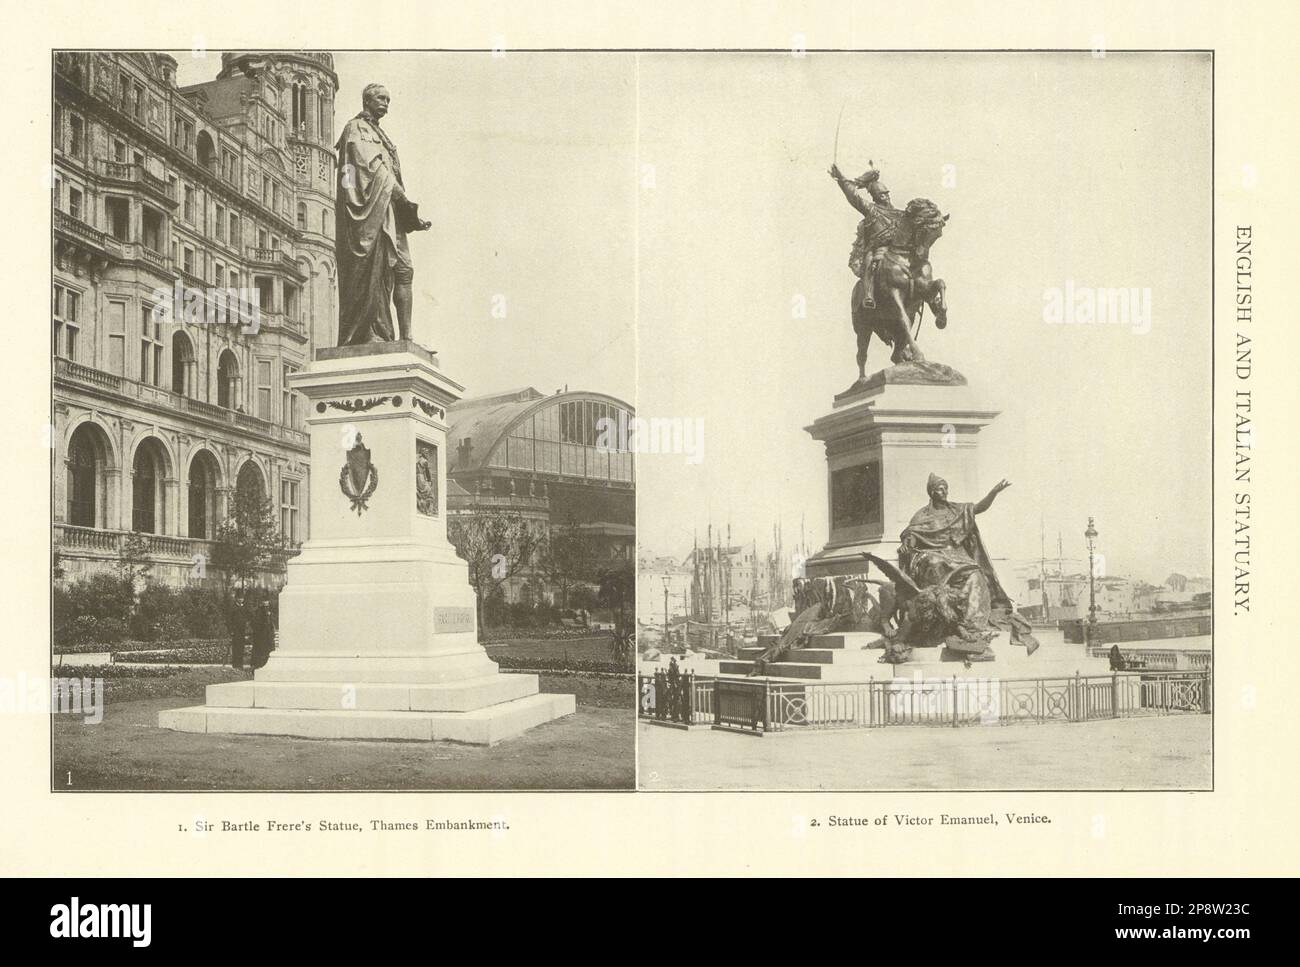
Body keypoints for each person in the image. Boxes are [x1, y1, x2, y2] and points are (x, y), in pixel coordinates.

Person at [334, 83, 432, 345]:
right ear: (367, 100)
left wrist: (407, 212)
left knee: (404, 271)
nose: (386, 103)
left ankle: (407, 338)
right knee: (376, 274)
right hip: (370, 215)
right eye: (381, 98)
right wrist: (405, 200)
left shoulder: (381, 134)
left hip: (390, 212)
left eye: (389, 99)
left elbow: (388, 174)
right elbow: (372, 169)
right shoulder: (356, 128)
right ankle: (370, 332)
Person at [830, 162, 902, 309]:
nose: (886, 197)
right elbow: (853, 196)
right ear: (875, 197)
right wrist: (841, 179)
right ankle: (869, 294)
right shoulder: (871, 210)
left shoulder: (900, 214)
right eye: (881, 195)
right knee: (870, 262)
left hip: (898, 250)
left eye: (886, 193)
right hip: (877, 250)